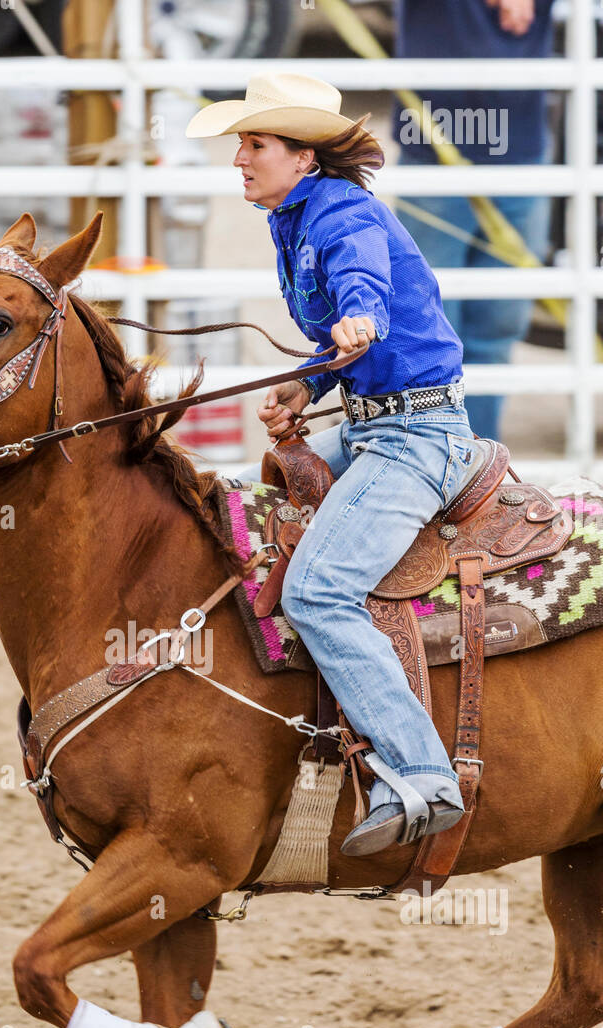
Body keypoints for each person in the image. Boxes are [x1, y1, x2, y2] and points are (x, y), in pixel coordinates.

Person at [186, 72, 480, 857]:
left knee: (317, 591)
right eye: (240, 144)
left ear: (304, 156)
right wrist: (305, 382)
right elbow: (343, 333)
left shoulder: (343, 213)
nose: (239, 160)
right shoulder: (294, 216)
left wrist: (359, 318)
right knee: (247, 510)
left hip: (418, 439)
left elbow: (363, 284)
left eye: (255, 145)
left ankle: (423, 775)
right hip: (374, 427)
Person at [394, 0, 555, 442]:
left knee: (499, 325)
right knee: (428, 327)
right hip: (434, 144)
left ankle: (476, 470)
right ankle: (436, 465)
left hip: (521, 150)